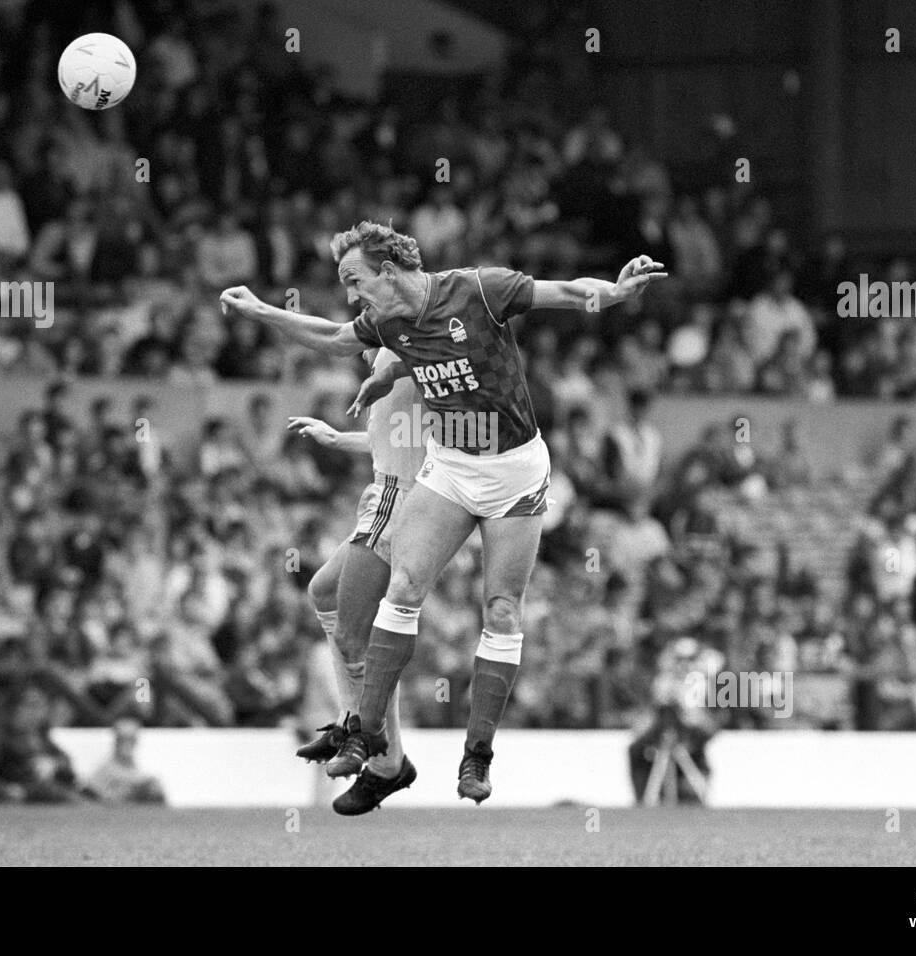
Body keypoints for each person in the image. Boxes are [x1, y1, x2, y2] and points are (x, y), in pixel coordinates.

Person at [220, 220, 664, 802]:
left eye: (355, 279)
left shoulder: (479, 289)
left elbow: (567, 293)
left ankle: (476, 757)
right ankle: (365, 736)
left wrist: (615, 290)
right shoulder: (388, 325)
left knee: (502, 611)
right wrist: (261, 311)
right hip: (450, 467)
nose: (352, 295)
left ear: (388, 268)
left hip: (515, 473)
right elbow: (332, 338)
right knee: (401, 588)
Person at [284, 345, 423, 815]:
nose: (359, 351)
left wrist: (260, 309)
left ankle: (373, 745)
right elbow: (392, 441)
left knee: (353, 634)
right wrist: (336, 438)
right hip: (385, 493)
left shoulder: (414, 354)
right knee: (323, 591)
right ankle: (372, 739)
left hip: (401, 499)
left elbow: (325, 332)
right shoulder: (390, 359)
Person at [84, 717, 166, 804]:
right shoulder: (104, 770)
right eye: (123, 739)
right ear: (116, 741)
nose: (127, 744)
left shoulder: (137, 767)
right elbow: (94, 795)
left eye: (131, 739)